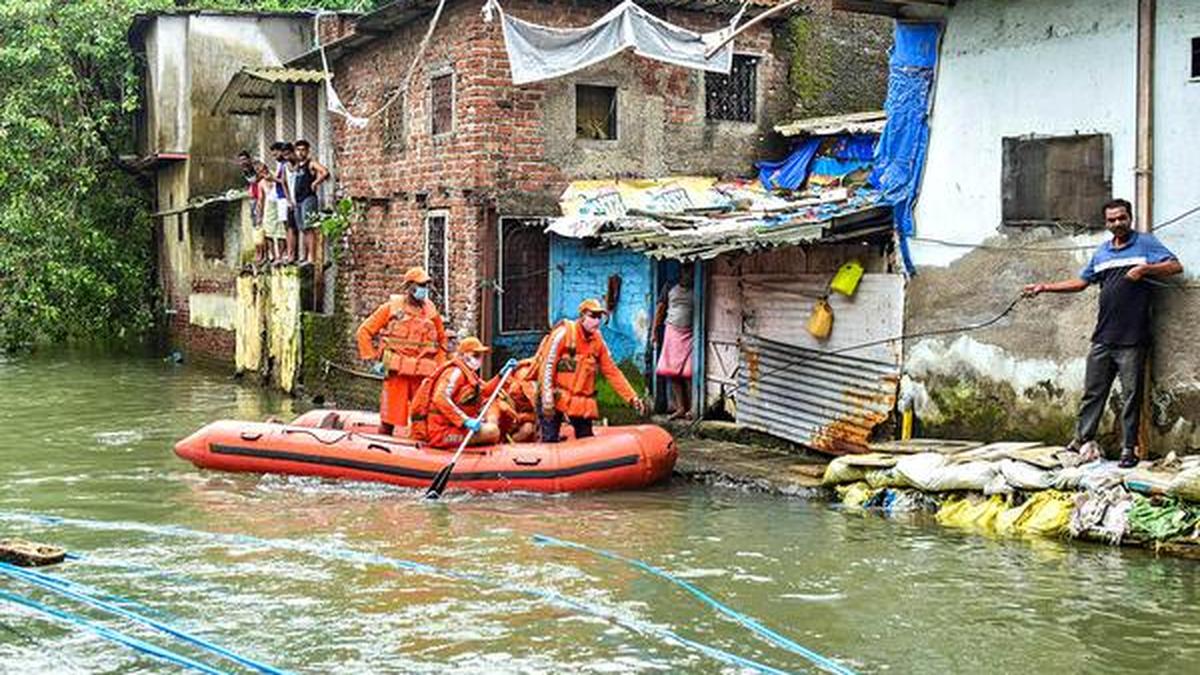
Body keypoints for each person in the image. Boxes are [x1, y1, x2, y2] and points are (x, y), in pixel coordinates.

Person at [1023, 198, 1182, 468]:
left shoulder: (1145, 244)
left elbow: (1175, 266)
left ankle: (1128, 450)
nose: (1117, 223)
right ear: (1106, 223)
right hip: (1103, 338)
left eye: (1121, 218)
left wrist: (1145, 269)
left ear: (1130, 218)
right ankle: (1080, 440)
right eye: (1111, 220)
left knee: (1131, 398)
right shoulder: (1102, 252)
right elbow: (1081, 282)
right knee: (1093, 393)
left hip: (1133, 340)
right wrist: (1045, 287)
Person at [537, 298, 647, 443]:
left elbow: (612, 372)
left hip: (579, 401)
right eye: (592, 316)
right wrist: (547, 400)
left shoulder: (598, 341)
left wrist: (631, 397)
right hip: (555, 397)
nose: (596, 321)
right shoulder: (563, 334)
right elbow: (547, 366)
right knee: (550, 440)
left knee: (586, 440)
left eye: (599, 317)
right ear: (582, 316)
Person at [355, 267, 449, 435]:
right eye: (420, 285)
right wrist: (371, 358)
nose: (424, 290)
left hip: (422, 375)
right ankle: (380, 451)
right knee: (388, 421)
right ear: (409, 287)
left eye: (426, 285)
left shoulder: (431, 312)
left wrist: (440, 366)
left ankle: (420, 453)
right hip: (396, 373)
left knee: (422, 417)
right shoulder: (390, 309)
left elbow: (442, 340)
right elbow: (364, 331)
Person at [418, 338, 508, 448]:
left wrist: (501, 376)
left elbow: (485, 391)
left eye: (480, 355)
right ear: (463, 355)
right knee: (492, 432)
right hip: (442, 433)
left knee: (492, 414)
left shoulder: (469, 374)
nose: (479, 359)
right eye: (476, 354)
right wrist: (464, 420)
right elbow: (439, 397)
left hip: (456, 427)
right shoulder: (455, 372)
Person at [653, 264, 695, 419]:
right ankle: (680, 407)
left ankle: (691, 408)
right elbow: (660, 309)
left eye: (691, 274)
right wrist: (654, 331)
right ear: (681, 273)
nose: (689, 277)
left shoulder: (697, 288)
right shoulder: (669, 286)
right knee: (671, 372)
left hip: (690, 334)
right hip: (672, 331)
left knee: (688, 373)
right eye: (687, 273)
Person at [292, 140, 330, 266]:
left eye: (303, 150)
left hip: (308, 198)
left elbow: (324, 172)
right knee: (302, 228)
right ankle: (305, 255)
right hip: (298, 199)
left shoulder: (311, 163)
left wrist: (315, 183)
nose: (300, 152)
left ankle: (311, 257)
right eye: (298, 150)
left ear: (307, 151)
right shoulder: (297, 166)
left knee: (309, 228)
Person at [238, 151, 268, 267]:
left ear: (249, 159)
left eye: (245, 160)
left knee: (261, 226)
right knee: (255, 227)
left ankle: (263, 254)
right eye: (241, 160)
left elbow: (259, 179)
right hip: (253, 199)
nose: (243, 162)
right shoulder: (245, 170)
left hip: (262, 198)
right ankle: (258, 252)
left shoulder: (256, 166)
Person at [266, 142, 293, 265]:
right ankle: (283, 254)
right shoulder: (280, 165)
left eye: (276, 153)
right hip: (279, 197)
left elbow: (283, 181)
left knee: (286, 227)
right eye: (273, 154)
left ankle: (287, 253)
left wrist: (272, 179)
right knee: (284, 226)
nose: (275, 156)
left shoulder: (285, 165)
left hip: (284, 198)